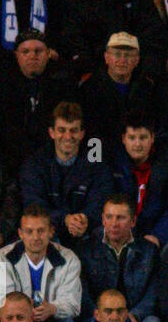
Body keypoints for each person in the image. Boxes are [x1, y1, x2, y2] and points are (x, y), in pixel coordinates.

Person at [18, 101, 112, 248]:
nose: (68, 136)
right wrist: (65, 219)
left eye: (73, 130)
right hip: (48, 231)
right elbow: (33, 203)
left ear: (82, 134)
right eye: (62, 130)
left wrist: (85, 219)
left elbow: (101, 200)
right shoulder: (35, 164)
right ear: (52, 132)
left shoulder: (96, 164)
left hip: (86, 231)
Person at [0, 29, 75, 173]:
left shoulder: (63, 85)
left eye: (38, 51)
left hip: (54, 161)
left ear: (48, 54)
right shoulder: (3, 87)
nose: (32, 56)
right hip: (11, 163)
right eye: (25, 51)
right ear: (16, 55)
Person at [78, 195, 163, 322]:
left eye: (120, 218)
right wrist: (102, 316)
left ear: (133, 221)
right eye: (109, 217)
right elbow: (83, 294)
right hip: (98, 316)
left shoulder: (149, 250)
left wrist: (135, 316)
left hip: (135, 316)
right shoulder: (86, 249)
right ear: (103, 219)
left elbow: (153, 293)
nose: (114, 224)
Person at [109, 117, 168, 252]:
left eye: (143, 138)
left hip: (154, 235)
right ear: (123, 139)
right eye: (132, 138)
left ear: (152, 138)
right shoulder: (113, 166)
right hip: (120, 232)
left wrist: (158, 236)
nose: (137, 144)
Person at [77, 32, 160, 144]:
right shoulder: (90, 88)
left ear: (137, 60)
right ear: (106, 57)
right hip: (101, 149)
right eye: (117, 54)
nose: (122, 60)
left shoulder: (147, 88)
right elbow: (89, 133)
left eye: (128, 55)